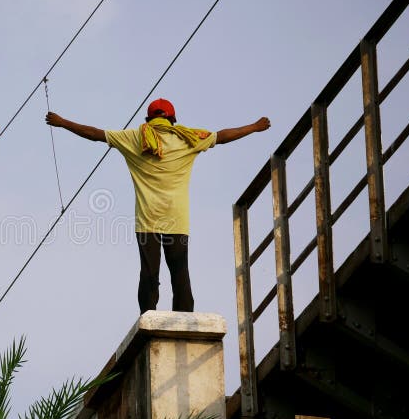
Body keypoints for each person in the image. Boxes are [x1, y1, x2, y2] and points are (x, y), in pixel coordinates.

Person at [45, 98, 270, 313]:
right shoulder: (188, 138)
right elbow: (222, 136)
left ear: (148, 120)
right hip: (177, 220)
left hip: (147, 220)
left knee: (149, 272)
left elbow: (95, 134)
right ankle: (184, 318)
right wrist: (254, 127)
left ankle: (148, 318)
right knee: (180, 271)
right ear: (173, 119)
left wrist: (62, 122)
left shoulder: (135, 138)